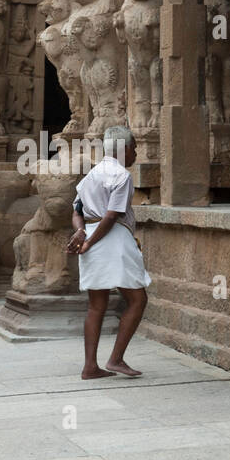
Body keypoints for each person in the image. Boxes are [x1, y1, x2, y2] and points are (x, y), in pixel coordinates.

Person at [66, 126, 151, 380]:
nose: (135, 153)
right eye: (134, 148)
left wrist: (82, 233)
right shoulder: (121, 176)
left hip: (91, 237)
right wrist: (90, 242)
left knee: (96, 305)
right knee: (138, 299)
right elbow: (112, 215)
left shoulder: (90, 175)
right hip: (111, 240)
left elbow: (77, 211)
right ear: (123, 149)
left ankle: (90, 366)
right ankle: (116, 359)